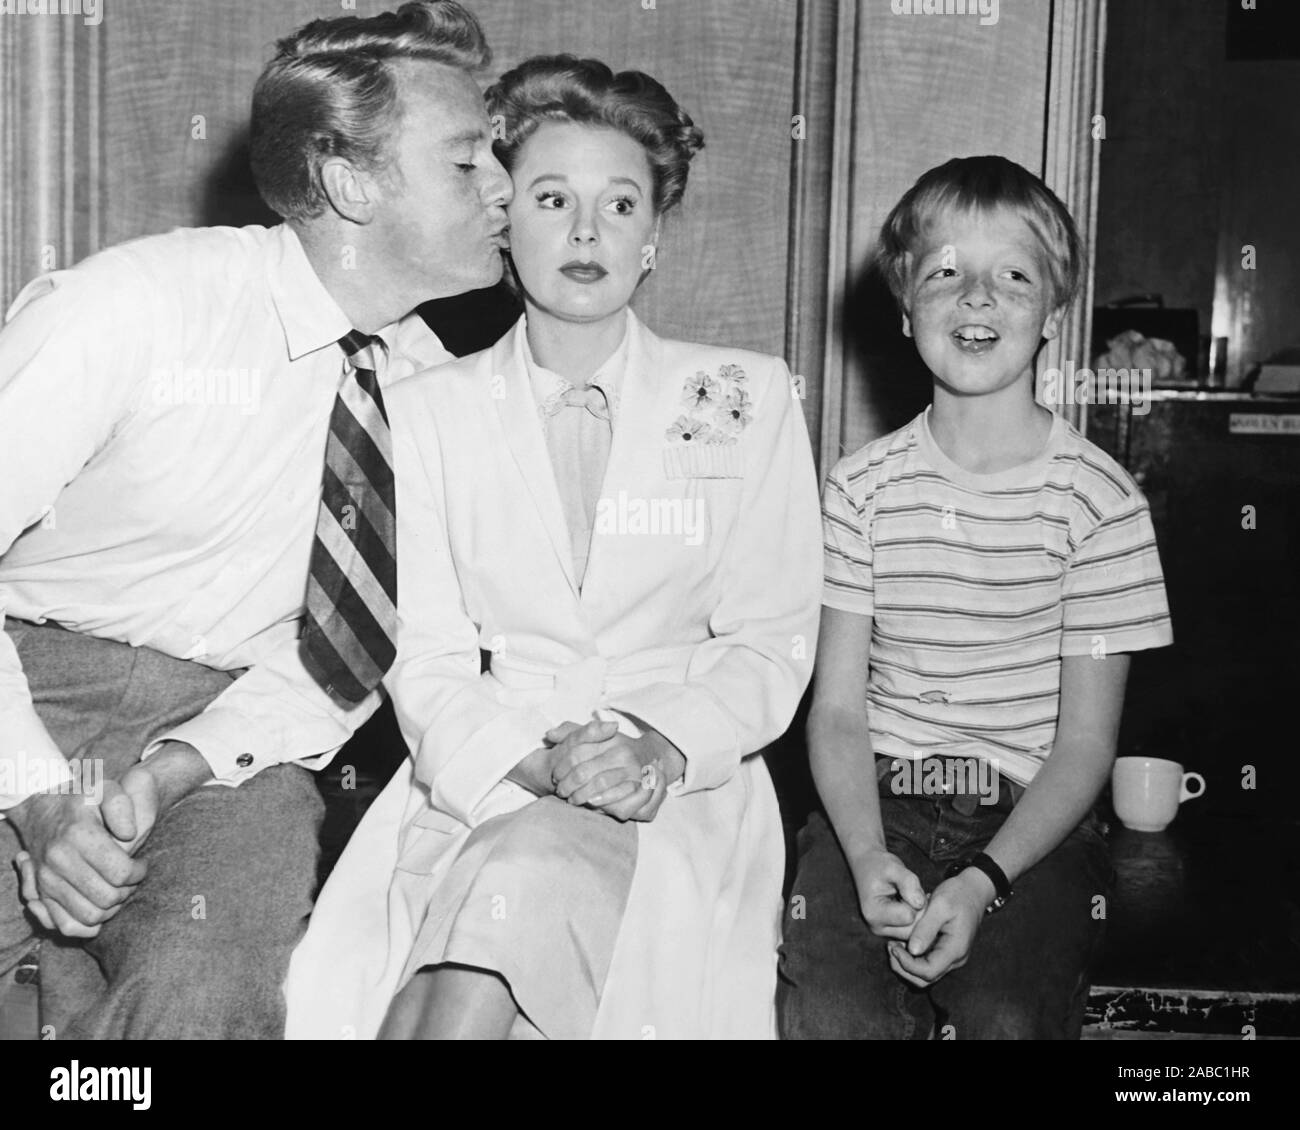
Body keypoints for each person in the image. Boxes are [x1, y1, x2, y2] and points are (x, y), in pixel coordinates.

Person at [285, 54, 823, 1040]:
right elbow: (430, 657)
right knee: (471, 930)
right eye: (551, 197)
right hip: (493, 773)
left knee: (461, 978)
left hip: (677, 791)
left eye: (621, 204)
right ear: (504, 219)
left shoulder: (747, 396)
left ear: (654, 236)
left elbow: (772, 643)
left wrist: (657, 746)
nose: (586, 231)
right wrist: (535, 765)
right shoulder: (422, 411)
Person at [0, 0, 510, 1039]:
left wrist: (182, 760)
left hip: (231, 736)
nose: (503, 185)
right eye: (467, 162)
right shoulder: (133, 307)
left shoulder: (438, 397)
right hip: (22, 677)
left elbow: (350, 651)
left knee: (214, 977)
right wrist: (44, 799)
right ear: (346, 179)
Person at [778, 155, 1173, 1040]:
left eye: (1014, 275)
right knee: (834, 1012)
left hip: (1032, 820)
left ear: (1053, 317)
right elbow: (838, 711)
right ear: (905, 306)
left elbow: (1084, 743)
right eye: (946, 272)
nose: (978, 297)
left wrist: (982, 881)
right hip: (875, 803)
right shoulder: (859, 489)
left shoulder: (1101, 506)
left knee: (1006, 1016)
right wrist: (867, 851)